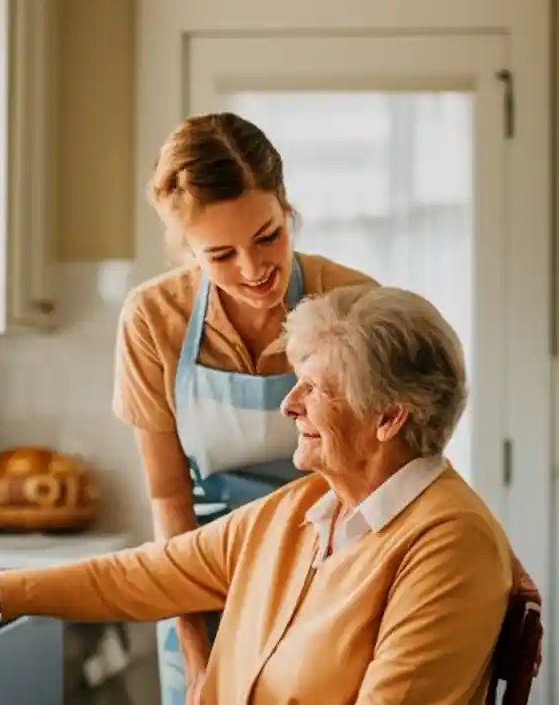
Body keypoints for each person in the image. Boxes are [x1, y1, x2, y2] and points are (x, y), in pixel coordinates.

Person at [0, 284, 535, 704]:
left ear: (388, 418)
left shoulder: (449, 545)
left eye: (315, 388)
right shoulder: (305, 509)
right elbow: (149, 575)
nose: (291, 405)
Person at [112, 112, 378, 704]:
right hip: (203, 588)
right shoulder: (154, 318)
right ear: (186, 250)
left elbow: (400, 464)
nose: (255, 271)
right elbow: (168, 497)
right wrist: (195, 652)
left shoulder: (355, 302)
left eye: (268, 237)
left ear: (286, 209)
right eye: (220, 255)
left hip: (332, 585)